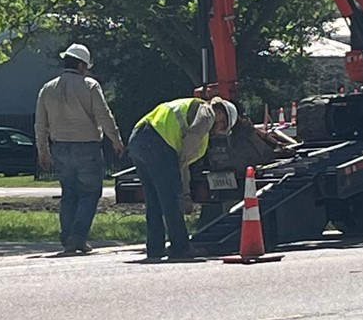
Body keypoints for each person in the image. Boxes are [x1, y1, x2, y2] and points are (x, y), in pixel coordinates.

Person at [35, 43, 124, 256]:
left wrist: (43, 151)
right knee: (90, 193)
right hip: (88, 147)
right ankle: (78, 237)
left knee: (69, 194)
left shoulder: (47, 88)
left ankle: (67, 238)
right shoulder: (90, 86)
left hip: (60, 147)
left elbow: (40, 124)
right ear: (82, 64)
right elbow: (104, 115)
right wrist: (116, 139)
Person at [127, 96, 238, 260]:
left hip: (138, 139)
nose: (218, 130)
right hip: (158, 143)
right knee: (171, 199)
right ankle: (180, 247)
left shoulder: (190, 109)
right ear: (221, 114)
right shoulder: (207, 114)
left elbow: (184, 164)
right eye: (223, 125)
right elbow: (189, 146)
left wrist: (185, 193)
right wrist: (178, 181)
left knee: (154, 200)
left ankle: (155, 247)